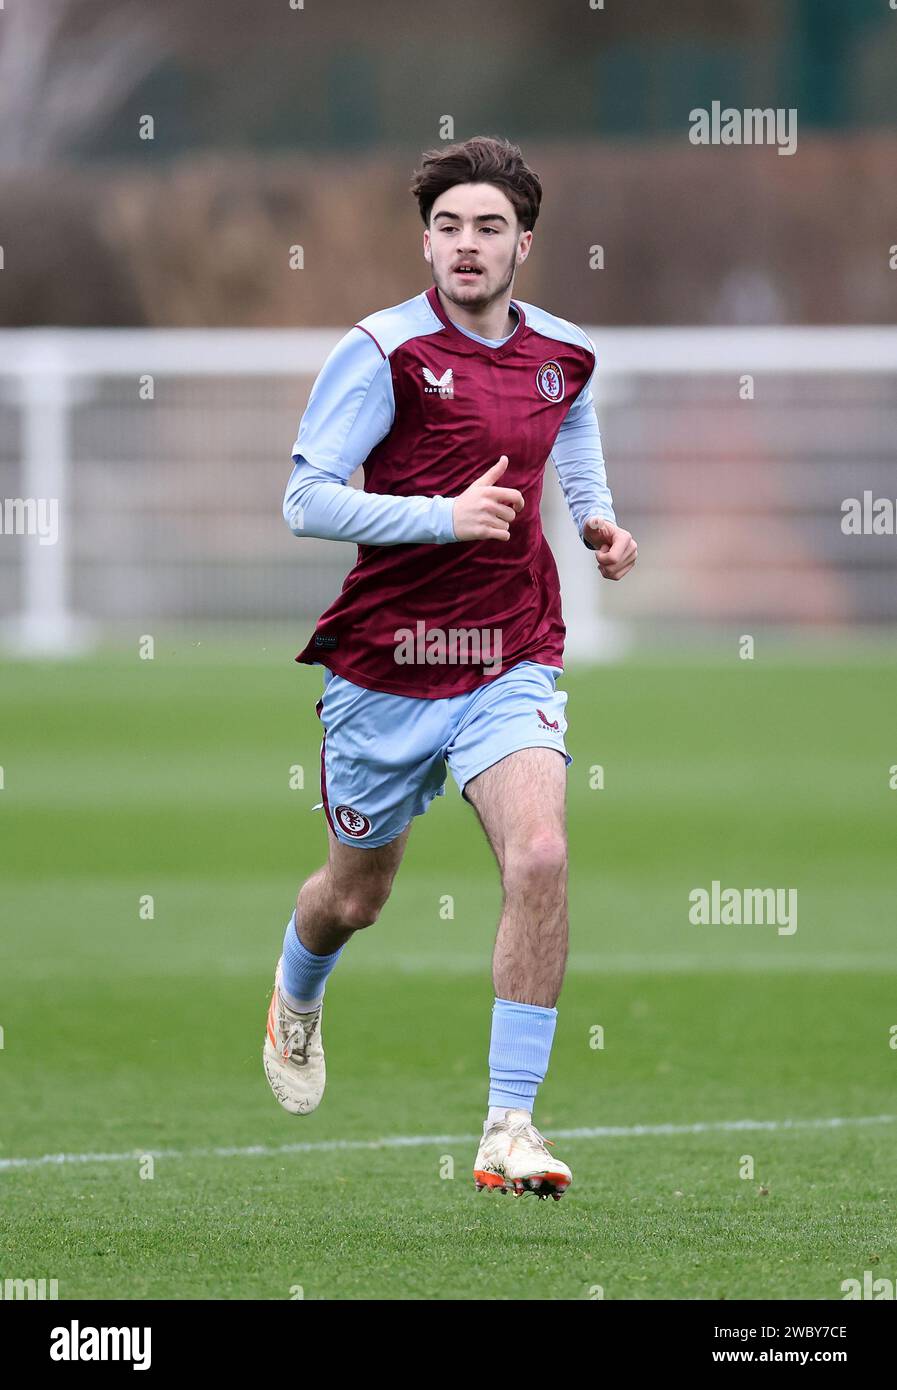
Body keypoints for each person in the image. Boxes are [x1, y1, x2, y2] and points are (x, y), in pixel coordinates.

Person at [263, 135, 637, 1200]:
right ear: (424, 242)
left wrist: (599, 519)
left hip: (509, 652)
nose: (465, 246)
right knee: (356, 895)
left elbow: (570, 425)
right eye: (445, 227)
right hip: (386, 666)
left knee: (541, 856)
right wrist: (445, 516)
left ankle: (509, 1124)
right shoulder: (381, 350)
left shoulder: (563, 349)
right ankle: (297, 992)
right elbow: (306, 499)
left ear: (525, 240)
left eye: (486, 227)